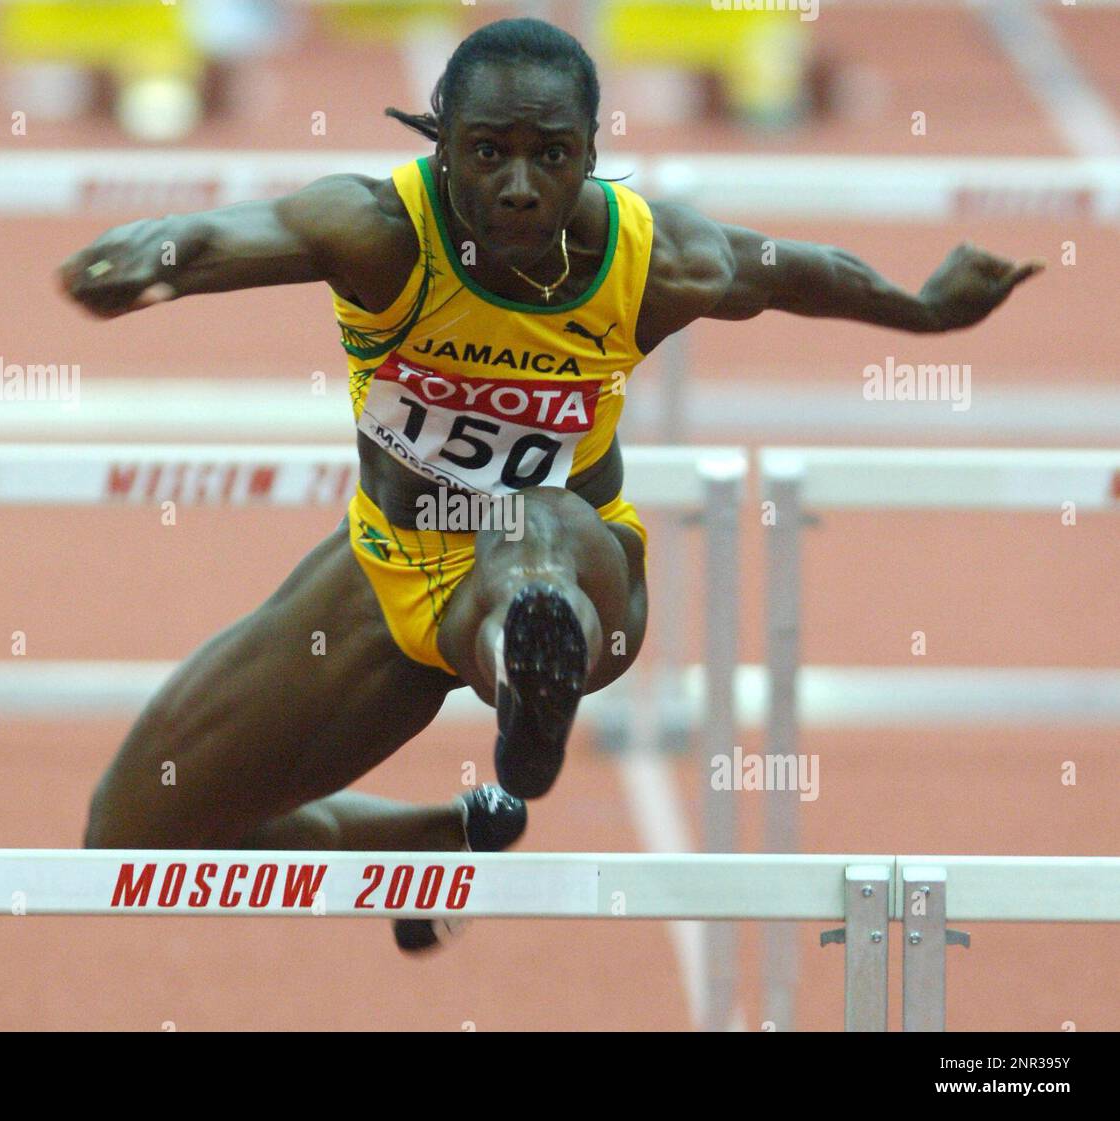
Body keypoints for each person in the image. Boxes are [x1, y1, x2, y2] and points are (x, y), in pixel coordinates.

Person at [62, 18, 1043, 953]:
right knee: (130, 833)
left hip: (581, 564)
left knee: (519, 517)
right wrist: (149, 256)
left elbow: (794, 270)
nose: (522, 187)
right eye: (489, 152)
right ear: (440, 145)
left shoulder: (651, 257)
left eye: (553, 155)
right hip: (389, 570)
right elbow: (221, 235)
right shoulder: (378, 231)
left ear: (590, 149)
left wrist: (920, 312)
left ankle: (529, 676)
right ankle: (431, 838)